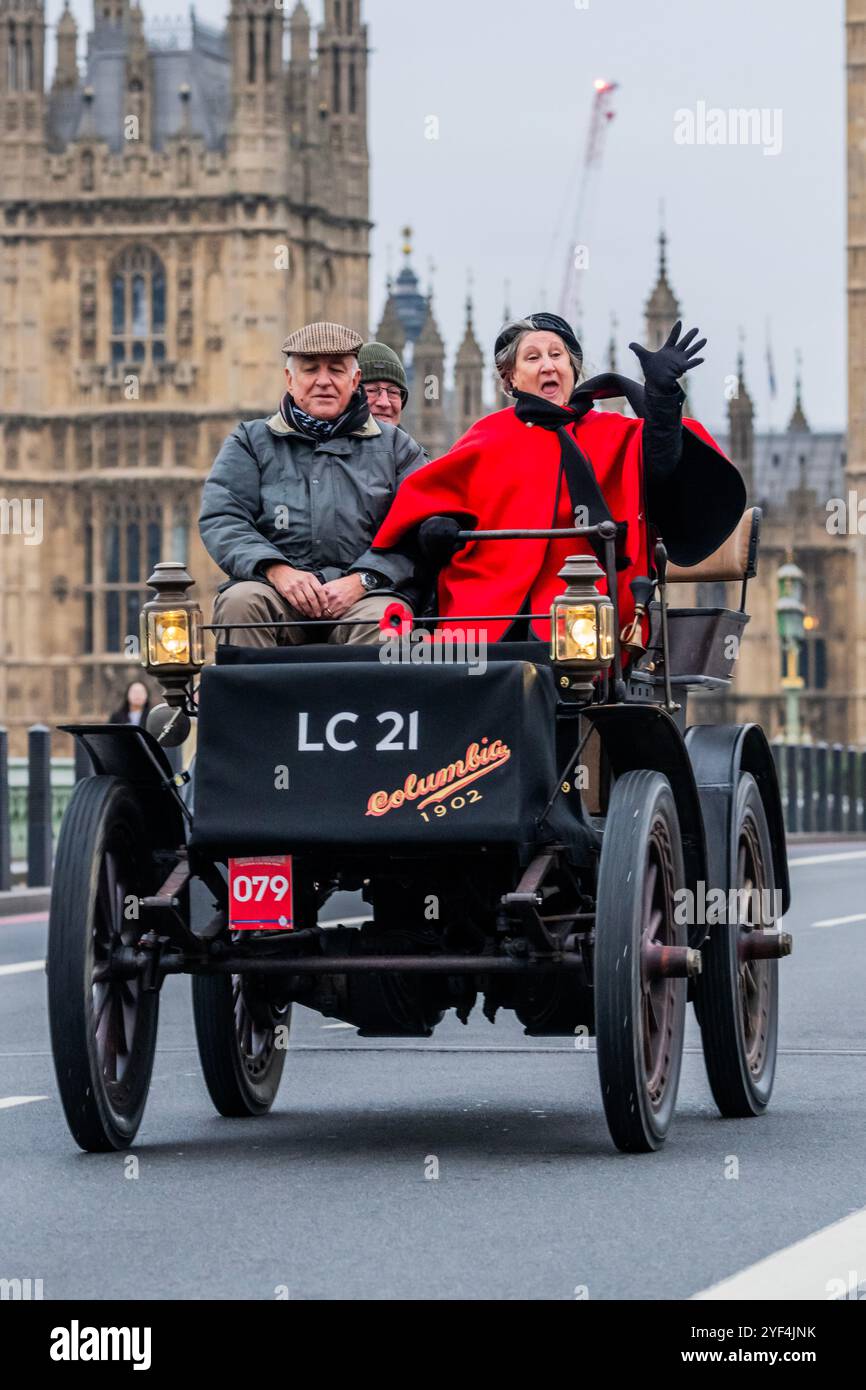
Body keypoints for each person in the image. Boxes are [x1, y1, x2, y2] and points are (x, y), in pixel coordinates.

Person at [370, 313, 746, 645]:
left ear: (573, 368)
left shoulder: (615, 434)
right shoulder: (485, 438)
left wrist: (663, 399)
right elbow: (426, 505)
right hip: (485, 617)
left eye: (557, 355)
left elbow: (663, 466)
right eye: (532, 358)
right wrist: (436, 527)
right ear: (510, 379)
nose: (547, 365)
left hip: (586, 616)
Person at [200, 323, 427, 648]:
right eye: (310, 370)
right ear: (290, 380)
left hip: (366, 597)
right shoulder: (251, 441)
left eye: (336, 370)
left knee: (388, 618)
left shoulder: (397, 448)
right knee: (240, 603)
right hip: (277, 593)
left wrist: (364, 579)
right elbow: (223, 518)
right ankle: (254, 700)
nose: (323, 381)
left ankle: (371, 702)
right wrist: (276, 569)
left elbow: (418, 528)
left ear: (355, 381)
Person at [359, 340, 411, 429]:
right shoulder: (330, 442)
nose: (384, 403)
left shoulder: (408, 443)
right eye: (371, 390)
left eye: (393, 392)